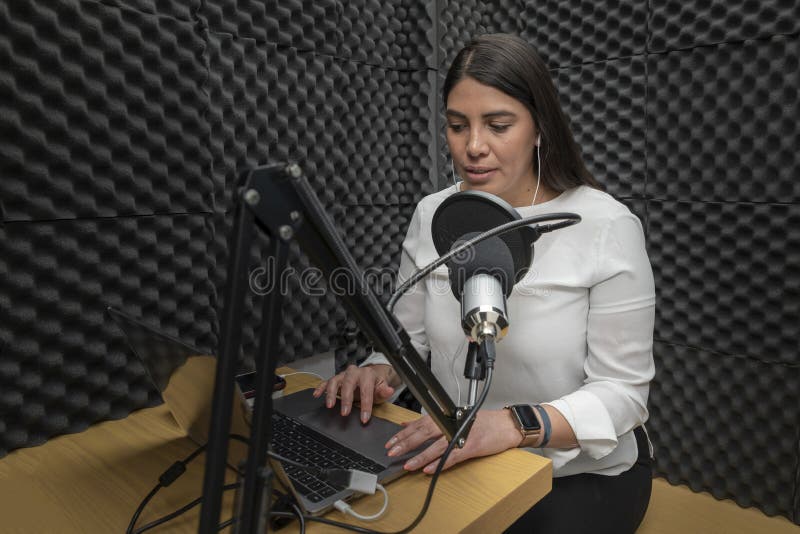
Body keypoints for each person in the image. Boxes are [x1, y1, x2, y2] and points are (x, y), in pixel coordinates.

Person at [314, 33, 655, 534]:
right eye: (457, 126)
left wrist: (510, 425)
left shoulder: (606, 225)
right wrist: (377, 371)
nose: (473, 147)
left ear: (540, 127)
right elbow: (409, 344)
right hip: (464, 455)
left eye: (498, 125)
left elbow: (623, 396)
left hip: (576, 473)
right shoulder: (434, 213)